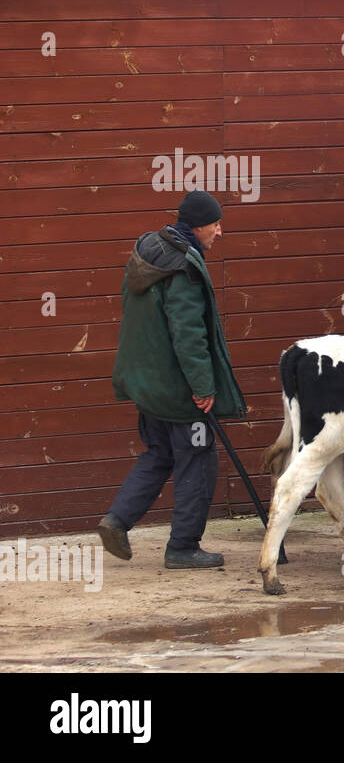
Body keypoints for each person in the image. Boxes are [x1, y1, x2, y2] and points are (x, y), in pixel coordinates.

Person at [96, 189, 246, 569]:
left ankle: (117, 520)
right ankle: (183, 548)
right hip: (176, 389)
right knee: (198, 458)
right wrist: (203, 387)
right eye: (216, 224)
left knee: (160, 453)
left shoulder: (149, 251)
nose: (219, 232)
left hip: (147, 386)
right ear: (199, 226)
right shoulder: (182, 267)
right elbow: (188, 333)